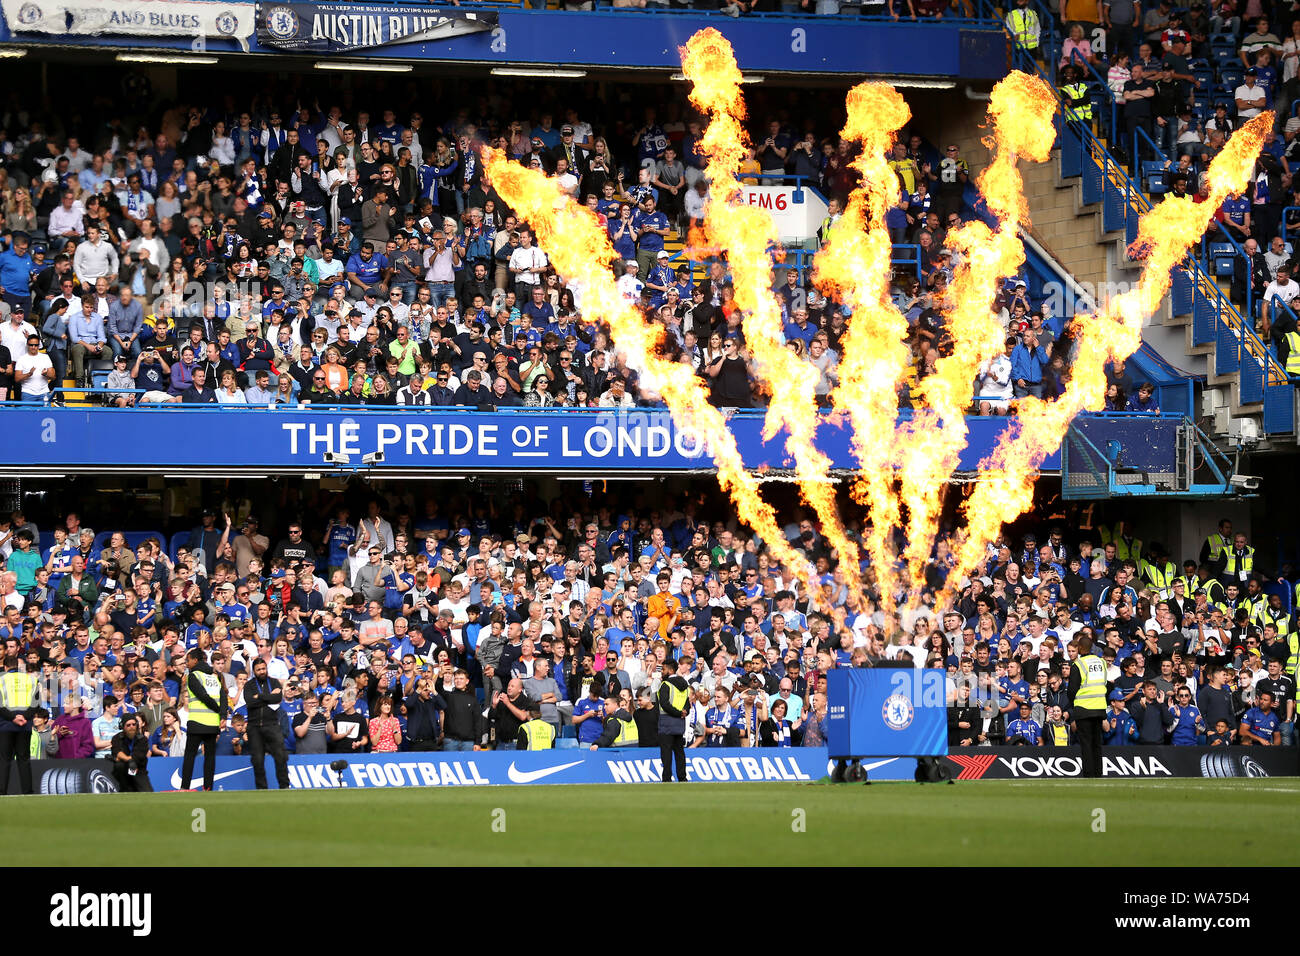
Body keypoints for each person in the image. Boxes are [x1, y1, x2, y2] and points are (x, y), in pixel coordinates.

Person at [179, 647, 228, 791]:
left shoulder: (194, 676)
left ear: (195, 660)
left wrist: (217, 709)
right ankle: (208, 787)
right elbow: (223, 697)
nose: (187, 664)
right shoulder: (214, 676)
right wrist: (222, 715)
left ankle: (185, 787)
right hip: (212, 723)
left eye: (188, 660)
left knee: (189, 756)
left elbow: (203, 696)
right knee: (210, 757)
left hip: (197, 722)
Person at [243, 656, 290, 790]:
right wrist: (269, 697)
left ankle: (284, 786)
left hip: (272, 725)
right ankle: (262, 789)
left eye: (264, 668)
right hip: (254, 727)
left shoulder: (274, 682)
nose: (262, 671)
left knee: (281, 757)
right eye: (259, 670)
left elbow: (278, 698)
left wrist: (260, 696)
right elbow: (250, 702)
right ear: (254, 671)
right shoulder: (249, 685)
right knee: (257, 760)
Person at [1066, 634, 1107, 777]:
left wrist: (1074, 703)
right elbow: (1105, 683)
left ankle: (1089, 774)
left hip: (1084, 708)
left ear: (1080, 648)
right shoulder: (1102, 662)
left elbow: (1072, 690)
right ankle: (1098, 772)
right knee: (1097, 742)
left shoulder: (1078, 665)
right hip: (1099, 706)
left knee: (1086, 742)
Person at [0, 657, 39, 794]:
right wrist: (24, 717)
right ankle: (27, 791)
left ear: (5, 667)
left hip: (6, 725)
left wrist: (13, 717)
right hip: (25, 725)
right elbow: (36, 704)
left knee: (4, 759)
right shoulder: (31, 680)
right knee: (23, 759)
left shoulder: (1, 680)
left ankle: (2, 791)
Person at [656, 655, 689, 781]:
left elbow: (664, 704)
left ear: (670, 670)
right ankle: (682, 777)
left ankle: (667, 777)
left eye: (663, 670)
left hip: (666, 722)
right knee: (679, 752)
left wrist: (677, 713)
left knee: (666, 752)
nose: (662, 672)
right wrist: (683, 712)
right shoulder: (684, 684)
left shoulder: (665, 684)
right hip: (680, 723)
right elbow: (687, 702)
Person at [110, 714, 153, 792]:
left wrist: (127, 759)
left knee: (148, 793)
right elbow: (117, 752)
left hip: (138, 770)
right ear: (122, 727)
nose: (131, 727)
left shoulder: (142, 739)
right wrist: (129, 760)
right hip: (123, 770)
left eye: (134, 724)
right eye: (128, 725)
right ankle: (125, 789)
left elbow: (138, 756)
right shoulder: (117, 738)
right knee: (119, 765)